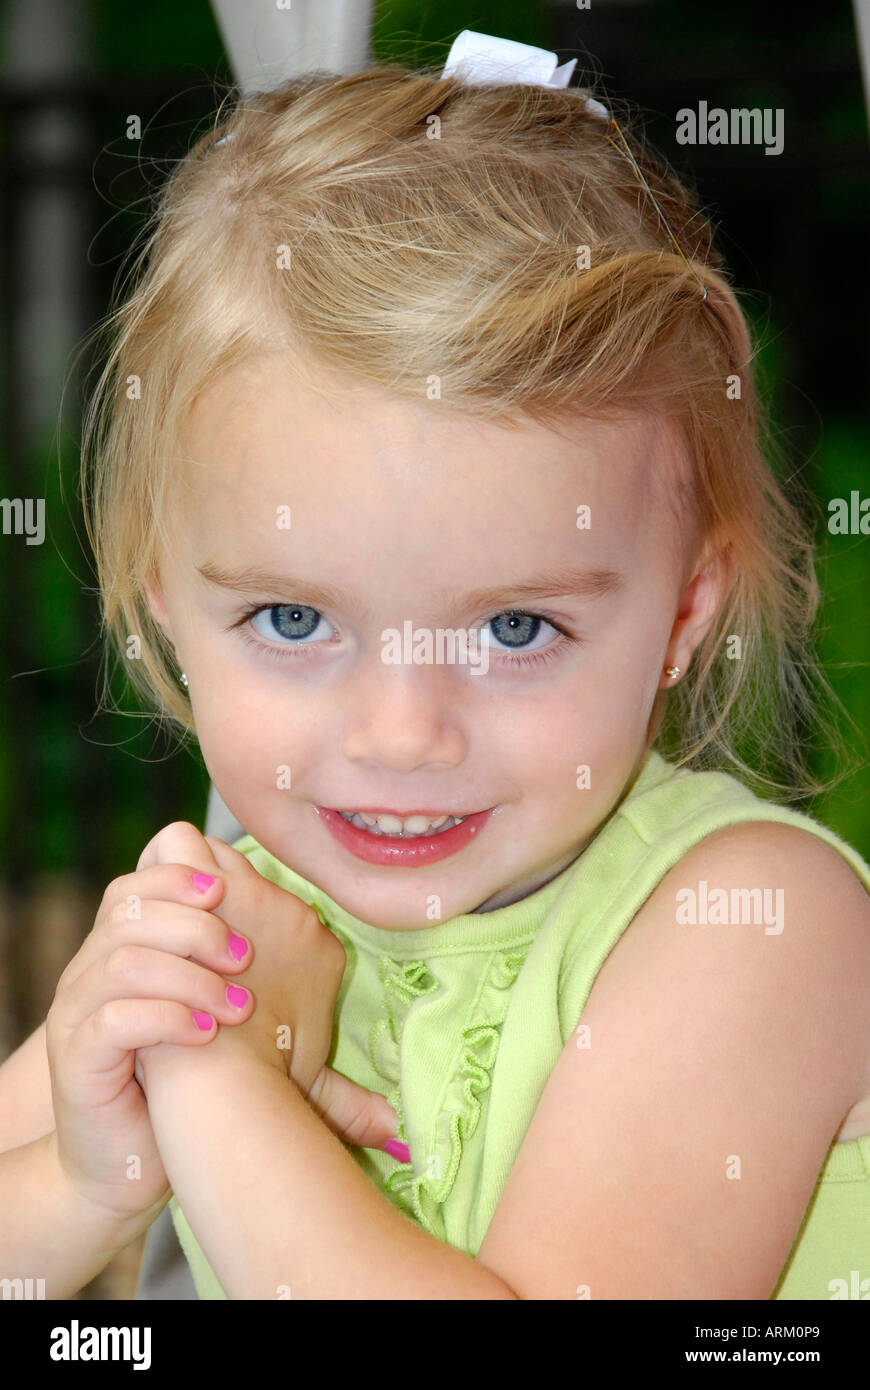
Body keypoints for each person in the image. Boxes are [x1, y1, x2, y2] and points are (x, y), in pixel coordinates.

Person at [1, 30, 869, 1301]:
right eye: (295, 623)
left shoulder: (756, 928)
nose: (402, 734)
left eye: (514, 630)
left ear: (684, 615)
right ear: (164, 606)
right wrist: (94, 1180)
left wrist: (217, 1082)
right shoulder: (227, 923)